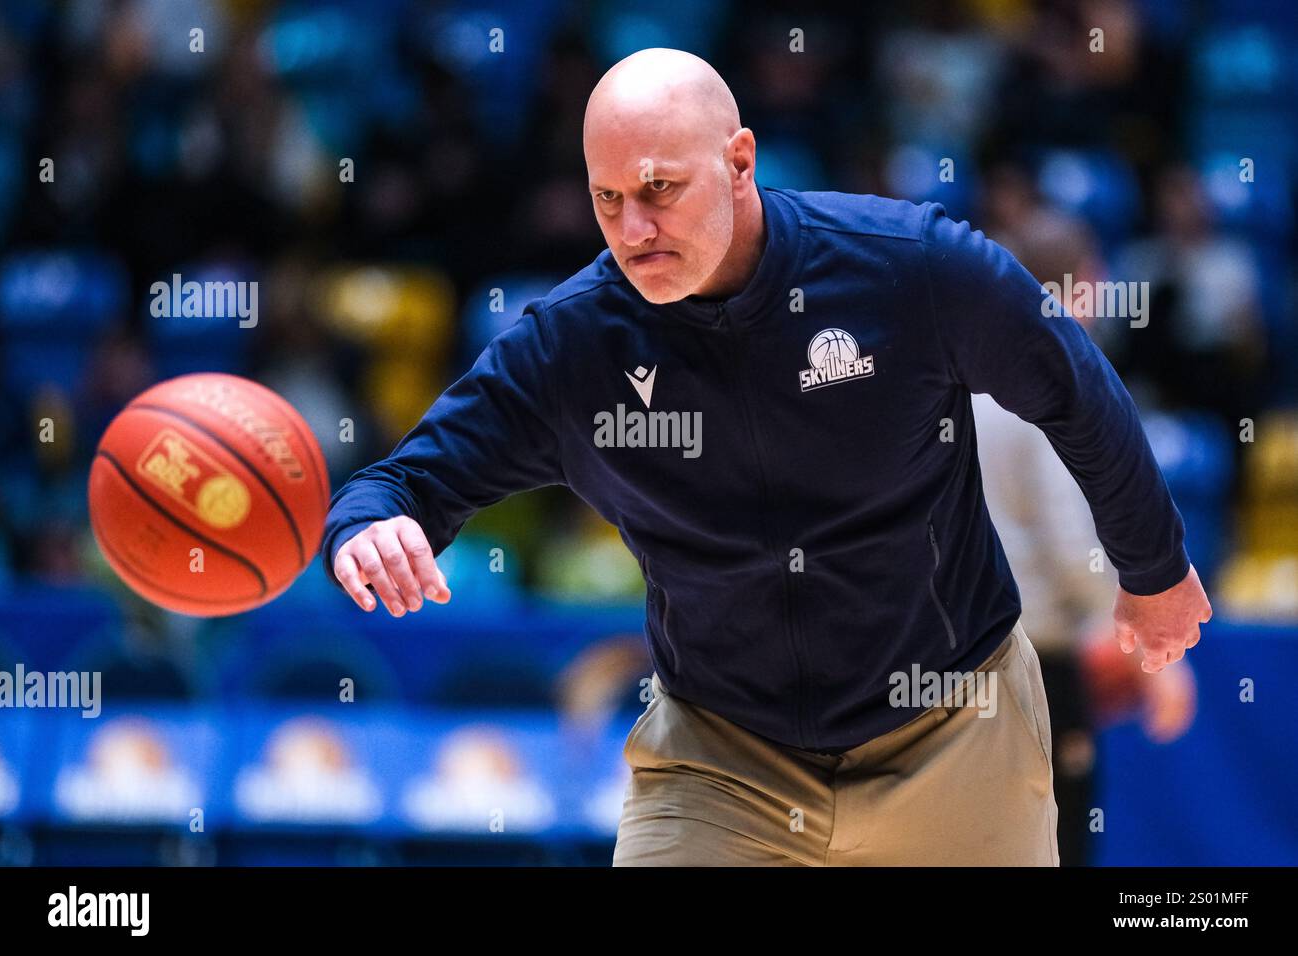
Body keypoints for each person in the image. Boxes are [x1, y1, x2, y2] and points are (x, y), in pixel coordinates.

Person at [322, 48, 1212, 866]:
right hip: (722, 760)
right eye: (606, 201)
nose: (632, 229)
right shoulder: (571, 349)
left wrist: (1154, 570)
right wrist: (366, 526)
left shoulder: (908, 269)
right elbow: (404, 481)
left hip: (955, 733)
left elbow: (1075, 386)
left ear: (741, 161)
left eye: (660, 188)